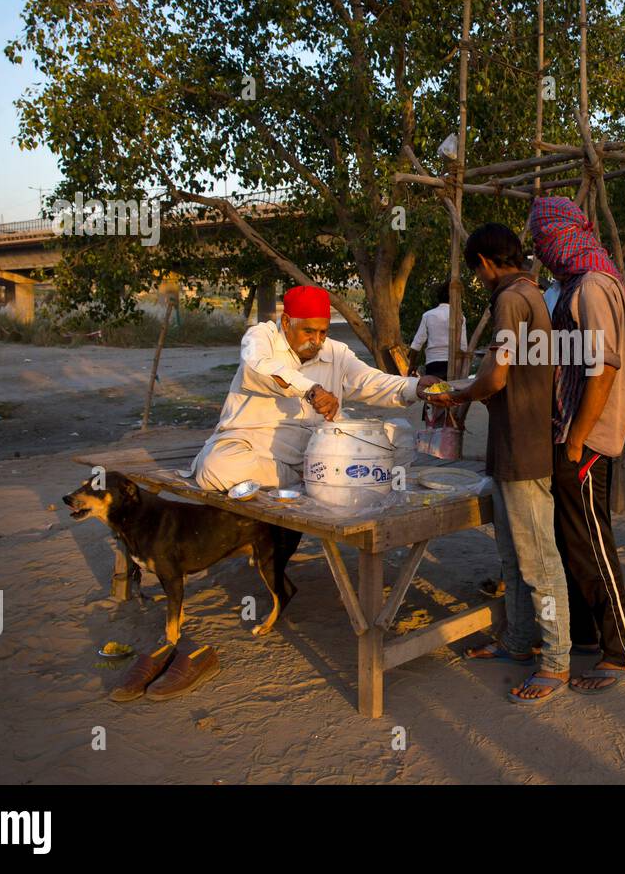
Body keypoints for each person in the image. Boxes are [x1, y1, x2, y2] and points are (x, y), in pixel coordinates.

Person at [439, 223, 571, 704]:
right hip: (515, 441)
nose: (478, 279)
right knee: (515, 557)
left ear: (485, 264)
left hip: (524, 445)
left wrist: (460, 395)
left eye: (477, 271)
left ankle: (556, 661)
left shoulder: (511, 300)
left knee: (538, 560)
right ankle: (517, 641)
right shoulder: (531, 292)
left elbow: (495, 376)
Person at [529, 196, 625, 693]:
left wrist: (576, 438)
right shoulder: (574, 283)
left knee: (593, 544)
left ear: (561, 236)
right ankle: (591, 636)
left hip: (587, 436)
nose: (540, 250)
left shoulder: (593, 286)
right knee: (573, 543)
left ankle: (624, 652)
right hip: (571, 430)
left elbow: (605, 367)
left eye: (542, 239)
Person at [192, 285, 443, 491]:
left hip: (317, 447)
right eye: (309, 331)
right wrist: (311, 390)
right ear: (287, 322)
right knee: (216, 468)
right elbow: (258, 367)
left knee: (400, 438)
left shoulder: (335, 351)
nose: (317, 341)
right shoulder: (261, 337)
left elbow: (368, 380)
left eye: (323, 332)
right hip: (253, 443)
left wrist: (415, 386)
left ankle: (317, 477)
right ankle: (308, 480)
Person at [408, 282, 466, 379]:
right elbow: (463, 347)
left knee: (435, 392)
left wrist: (412, 365)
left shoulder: (428, 315)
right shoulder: (460, 317)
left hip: (433, 365)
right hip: (454, 364)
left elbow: (416, 345)